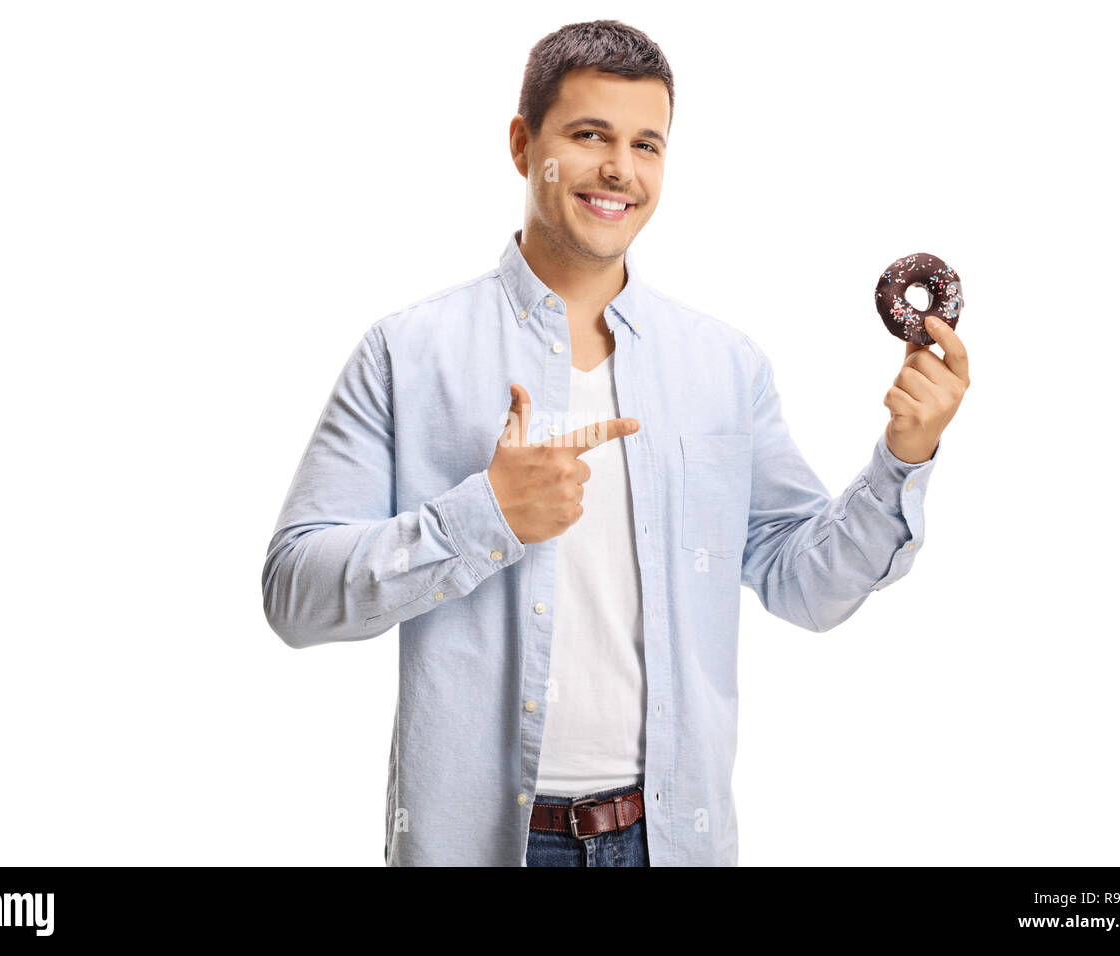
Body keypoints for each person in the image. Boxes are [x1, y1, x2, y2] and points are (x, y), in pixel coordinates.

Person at [261, 19, 970, 867]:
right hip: (481, 845)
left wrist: (906, 456)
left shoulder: (723, 365)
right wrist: (481, 519)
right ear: (525, 145)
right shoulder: (405, 354)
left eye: (647, 144)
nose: (619, 171)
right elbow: (292, 594)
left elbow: (804, 584)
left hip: (667, 840)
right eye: (589, 135)